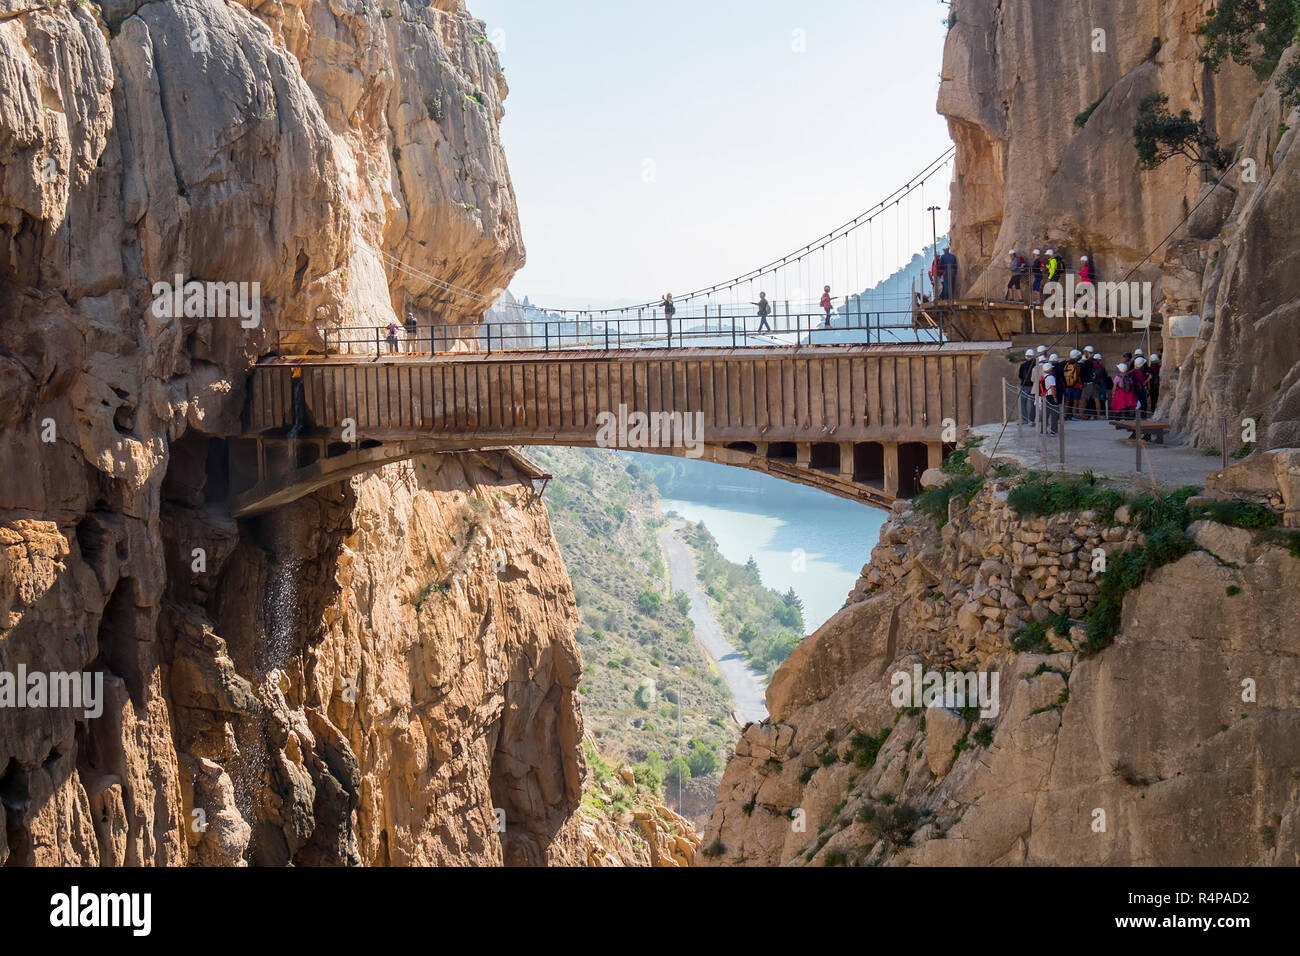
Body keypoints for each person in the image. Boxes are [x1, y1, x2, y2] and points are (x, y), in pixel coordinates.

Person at [1039, 361, 1061, 435]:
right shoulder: (1051, 377)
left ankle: (1043, 430)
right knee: (1054, 414)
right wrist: (1055, 398)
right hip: (1051, 397)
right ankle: (1053, 431)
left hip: (1044, 397)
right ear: (1049, 369)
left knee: (1045, 414)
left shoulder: (1042, 377)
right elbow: (1053, 388)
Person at [1017, 348, 1037, 424]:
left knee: (1023, 403)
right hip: (1033, 386)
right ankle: (1032, 418)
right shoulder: (1035, 365)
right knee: (1033, 403)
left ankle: (1025, 418)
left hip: (1024, 385)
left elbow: (1020, 376)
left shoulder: (1022, 365)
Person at [1062, 349, 1084, 420]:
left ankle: (1065, 414)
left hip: (1068, 385)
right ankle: (1075, 415)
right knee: (1076, 400)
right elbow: (1080, 375)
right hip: (1077, 385)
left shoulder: (1067, 363)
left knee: (1068, 400)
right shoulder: (1078, 365)